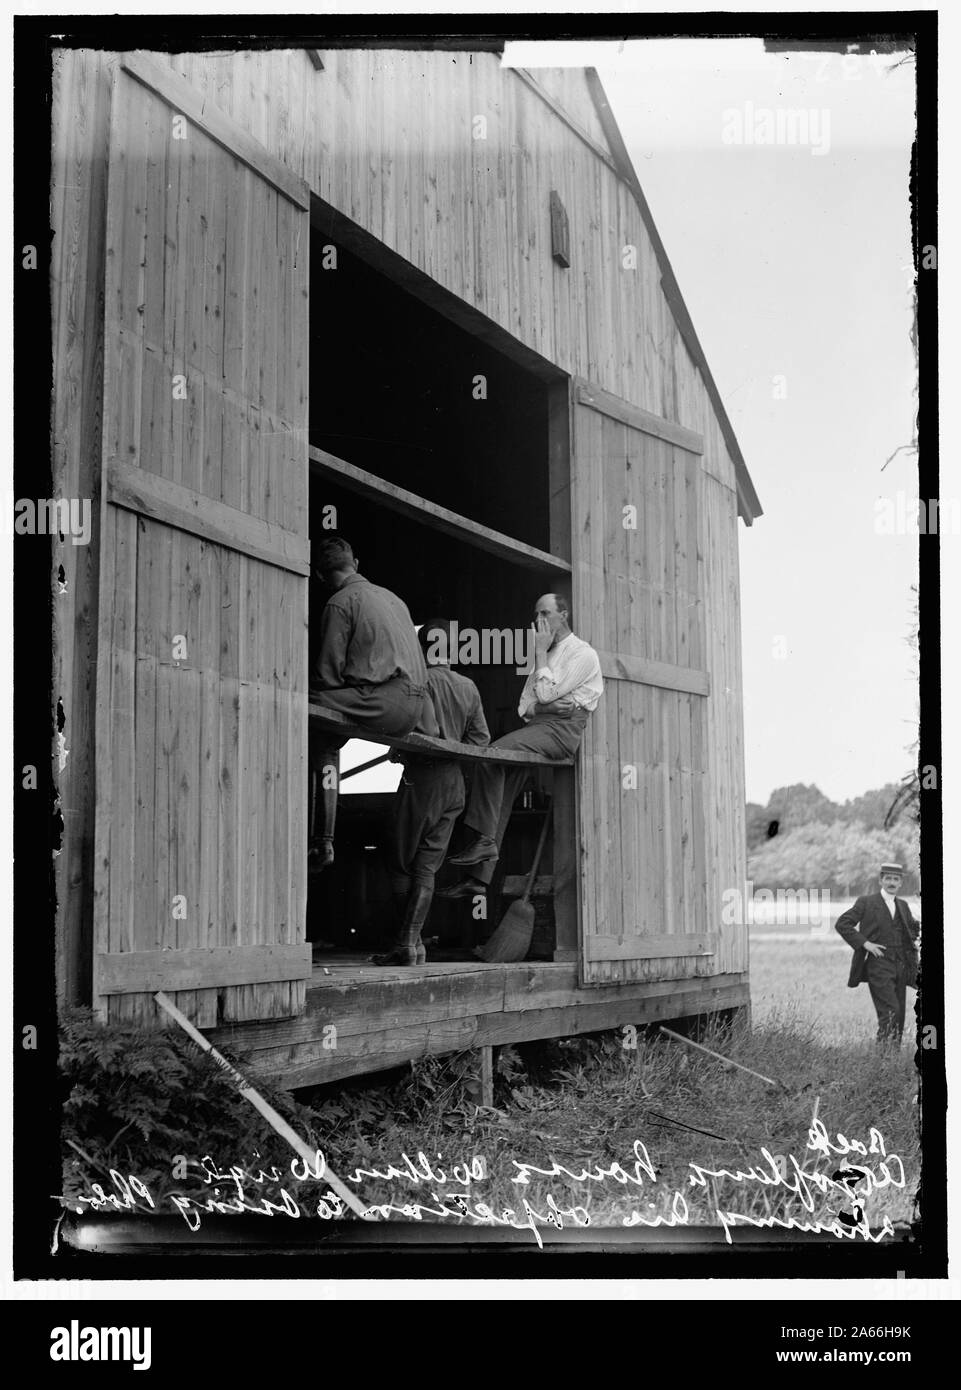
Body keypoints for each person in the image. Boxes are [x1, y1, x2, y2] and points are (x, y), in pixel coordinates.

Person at [440, 593, 603, 898]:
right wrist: (551, 705)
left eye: (546, 614)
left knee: (491, 757)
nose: (539, 621)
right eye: (536, 615)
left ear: (563, 615)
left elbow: (540, 698)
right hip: (539, 728)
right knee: (500, 785)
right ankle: (478, 879)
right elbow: (525, 707)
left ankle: (484, 842)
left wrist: (541, 660)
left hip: (561, 734)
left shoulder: (582, 654)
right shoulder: (545, 656)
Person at [309, 535, 437, 869]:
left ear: (321, 576)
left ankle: (322, 840)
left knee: (312, 706)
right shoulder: (394, 599)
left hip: (386, 702)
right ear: (356, 565)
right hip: (416, 706)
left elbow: (328, 675)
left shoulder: (340, 602)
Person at [373, 619, 490, 966]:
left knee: (399, 864)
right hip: (454, 785)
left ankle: (405, 946)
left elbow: (397, 724)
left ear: (424, 648)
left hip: (421, 780)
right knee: (426, 868)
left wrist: (404, 751)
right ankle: (413, 945)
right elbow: (480, 741)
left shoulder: (416, 680)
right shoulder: (468, 687)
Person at [834, 862, 920, 1045]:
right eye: (888, 878)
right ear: (881, 880)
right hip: (878, 964)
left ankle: (892, 1060)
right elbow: (843, 924)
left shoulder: (903, 905)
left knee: (900, 1016)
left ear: (900, 883)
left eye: (895, 879)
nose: (891, 882)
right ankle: (882, 1058)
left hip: (901, 966)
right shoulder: (866, 902)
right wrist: (866, 944)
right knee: (890, 1011)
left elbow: (911, 931)